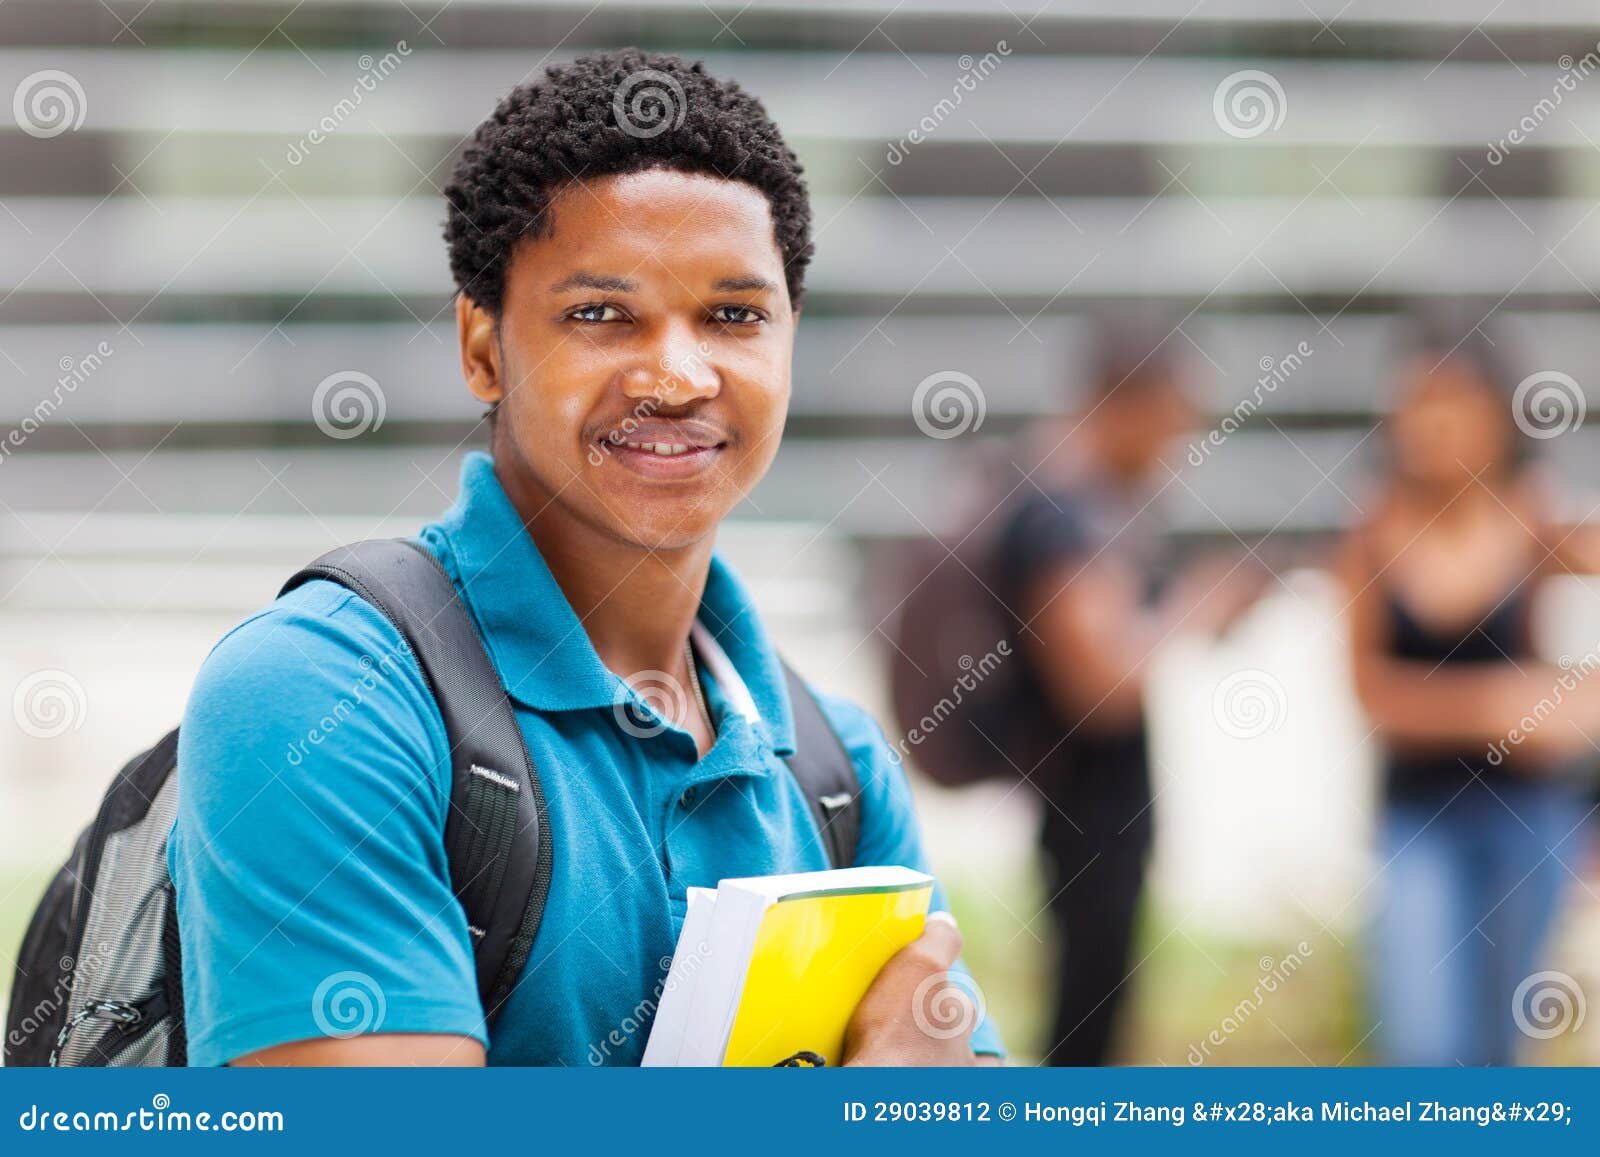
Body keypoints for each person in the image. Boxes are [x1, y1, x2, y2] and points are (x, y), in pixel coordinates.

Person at [167, 48, 1002, 1067]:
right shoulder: (324, 695)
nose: (679, 374)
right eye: (601, 314)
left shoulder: (839, 769)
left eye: (734, 315)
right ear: (482, 346)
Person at [997, 321, 1265, 1065]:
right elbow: (1099, 685)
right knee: (1085, 1021)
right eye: (1171, 427)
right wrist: (1197, 606)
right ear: (1126, 404)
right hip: (1085, 811)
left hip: (1102, 807)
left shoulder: (1096, 503)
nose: (1176, 451)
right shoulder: (1061, 514)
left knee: (1100, 1008)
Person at [1337, 321, 1600, 1065]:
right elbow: (1370, 692)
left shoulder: (1534, 514)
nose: (1434, 423)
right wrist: (1500, 706)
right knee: (1424, 1042)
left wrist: (1574, 699)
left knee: (1498, 1045)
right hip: (1419, 816)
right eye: (1418, 403)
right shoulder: (1371, 527)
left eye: (1453, 402)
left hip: (1529, 814)